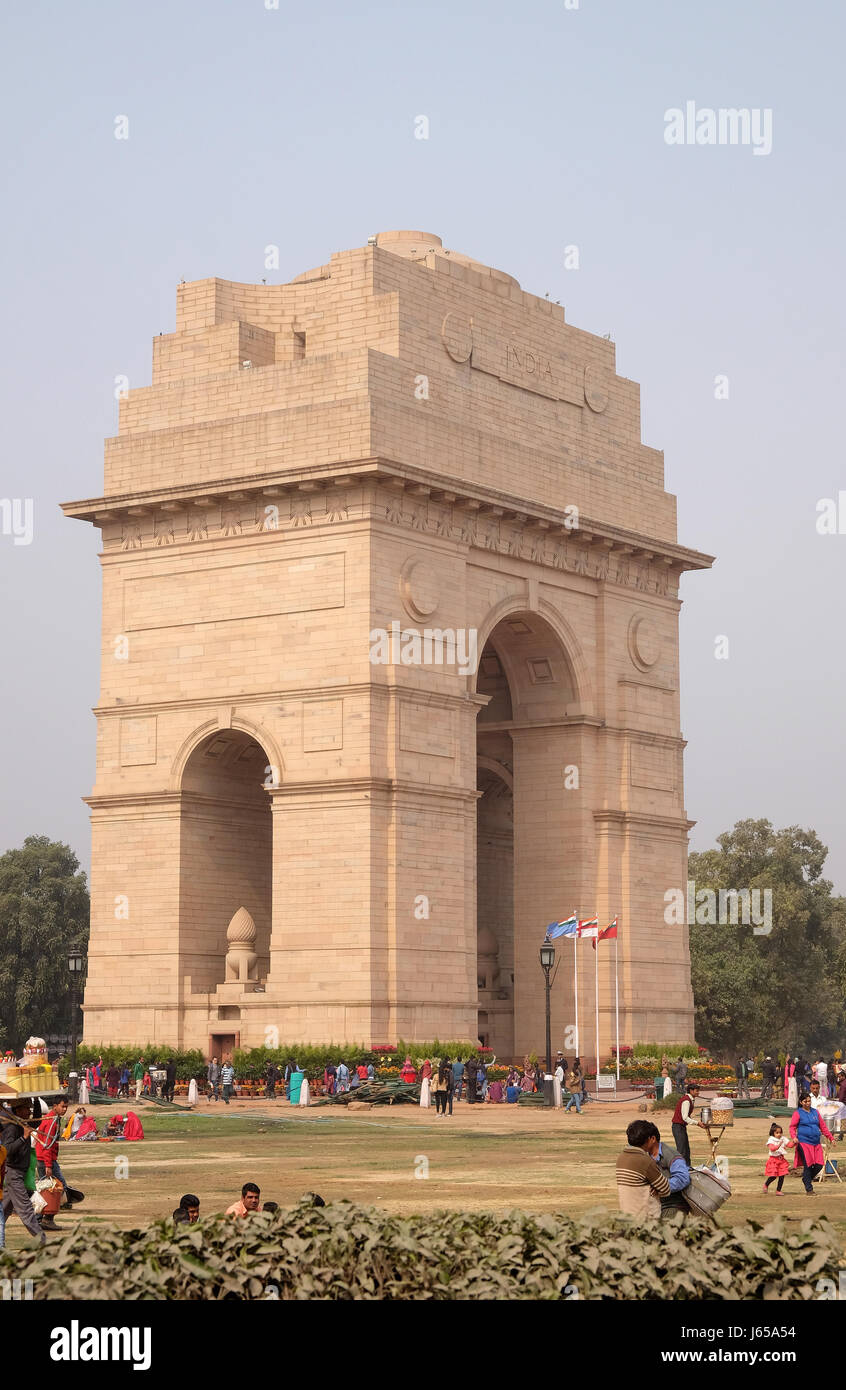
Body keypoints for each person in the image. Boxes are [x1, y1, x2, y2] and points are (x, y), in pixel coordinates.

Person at [0, 1098, 44, 1245]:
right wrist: (24, 1137)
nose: (30, 1112)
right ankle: (44, 1242)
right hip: (13, 1174)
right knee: (26, 1211)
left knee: (4, 1211)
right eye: (27, 1109)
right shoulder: (12, 1127)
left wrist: (36, 1098)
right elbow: (7, 1150)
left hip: (18, 1174)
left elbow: (37, 1121)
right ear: (19, 1110)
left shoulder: (22, 1123)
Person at [616, 1119, 673, 1221]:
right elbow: (665, 1189)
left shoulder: (621, 1158)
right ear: (649, 1139)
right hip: (646, 1219)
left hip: (626, 1214)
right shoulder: (645, 1161)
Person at [35, 1097, 71, 1227]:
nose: (65, 1109)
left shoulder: (52, 1118)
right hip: (46, 1160)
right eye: (63, 1106)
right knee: (58, 1188)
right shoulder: (51, 1122)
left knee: (45, 1189)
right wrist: (48, 1166)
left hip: (44, 1159)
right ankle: (46, 1219)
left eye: (66, 1107)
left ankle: (39, 1219)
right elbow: (47, 1145)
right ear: (55, 1106)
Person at [790, 1092, 834, 1194]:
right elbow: (792, 1127)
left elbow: (823, 1127)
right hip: (804, 1142)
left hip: (816, 1143)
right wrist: (794, 1137)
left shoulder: (815, 1112)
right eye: (805, 1101)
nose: (808, 1103)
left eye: (809, 1101)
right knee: (808, 1165)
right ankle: (809, 1189)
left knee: (819, 1165)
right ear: (801, 1102)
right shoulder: (798, 1113)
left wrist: (831, 1138)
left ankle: (806, 1179)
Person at [671, 1082, 703, 1165]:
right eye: (696, 1091)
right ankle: (680, 1169)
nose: (698, 1092)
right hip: (678, 1126)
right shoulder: (686, 1101)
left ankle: (687, 1167)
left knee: (686, 1149)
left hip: (681, 1126)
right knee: (682, 1150)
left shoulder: (689, 1099)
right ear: (691, 1091)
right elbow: (684, 1117)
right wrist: (697, 1123)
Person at [763, 1123, 793, 1195]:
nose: (779, 1134)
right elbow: (772, 1149)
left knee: (782, 1176)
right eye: (777, 1133)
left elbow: (790, 1145)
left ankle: (778, 1191)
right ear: (773, 1133)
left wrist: (795, 1142)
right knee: (773, 1176)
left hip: (781, 1160)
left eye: (780, 1132)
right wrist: (779, 1145)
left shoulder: (783, 1139)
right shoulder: (771, 1140)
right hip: (773, 1160)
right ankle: (766, 1185)